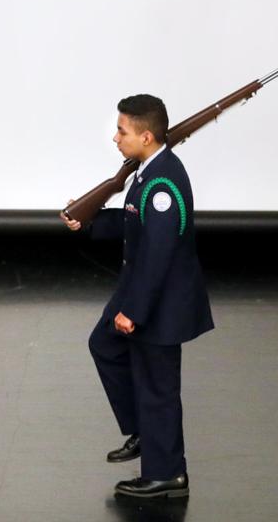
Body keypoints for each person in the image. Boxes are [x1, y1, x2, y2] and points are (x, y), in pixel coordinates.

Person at [61, 94, 213, 499]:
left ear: (146, 136)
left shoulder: (162, 182)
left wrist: (134, 311)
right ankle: (147, 430)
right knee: (104, 345)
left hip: (159, 300)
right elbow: (133, 221)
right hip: (142, 289)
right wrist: (88, 221)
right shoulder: (150, 171)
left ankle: (166, 475)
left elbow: (160, 254)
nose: (115, 138)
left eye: (122, 130)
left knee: (158, 385)